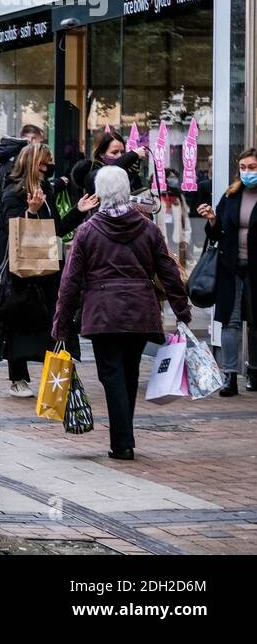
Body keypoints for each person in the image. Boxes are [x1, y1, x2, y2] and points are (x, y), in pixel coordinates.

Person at [53, 166, 192, 460]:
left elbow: (70, 282)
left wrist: (61, 325)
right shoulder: (148, 229)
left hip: (103, 314)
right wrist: (182, 310)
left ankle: (123, 442)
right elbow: (168, 272)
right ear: (127, 191)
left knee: (112, 375)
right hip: (141, 312)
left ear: (100, 193)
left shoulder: (88, 231)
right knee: (129, 373)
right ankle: (123, 438)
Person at [0, 143, 98, 396]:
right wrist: (31, 211)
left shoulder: (46, 189)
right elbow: (15, 231)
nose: (50, 166)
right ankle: (18, 378)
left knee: (55, 319)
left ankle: (57, 377)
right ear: (33, 164)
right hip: (20, 270)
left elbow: (55, 229)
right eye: (45, 162)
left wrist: (77, 211)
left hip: (49, 265)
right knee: (19, 320)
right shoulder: (14, 193)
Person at [198, 148, 257, 396]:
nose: (247, 172)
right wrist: (212, 219)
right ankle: (230, 376)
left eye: (252, 167)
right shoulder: (231, 195)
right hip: (230, 267)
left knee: (255, 322)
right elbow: (217, 232)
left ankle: (253, 371)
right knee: (230, 321)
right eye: (243, 168)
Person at [72, 129, 148, 196]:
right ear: (102, 154)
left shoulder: (128, 171)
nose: (120, 156)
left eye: (122, 152)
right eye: (114, 152)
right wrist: (132, 155)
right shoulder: (93, 173)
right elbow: (108, 174)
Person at [0, 123, 46, 194]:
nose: (41, 146)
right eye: (40, 142)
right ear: (32, 139)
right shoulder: (21, 157)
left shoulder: (11, 153)